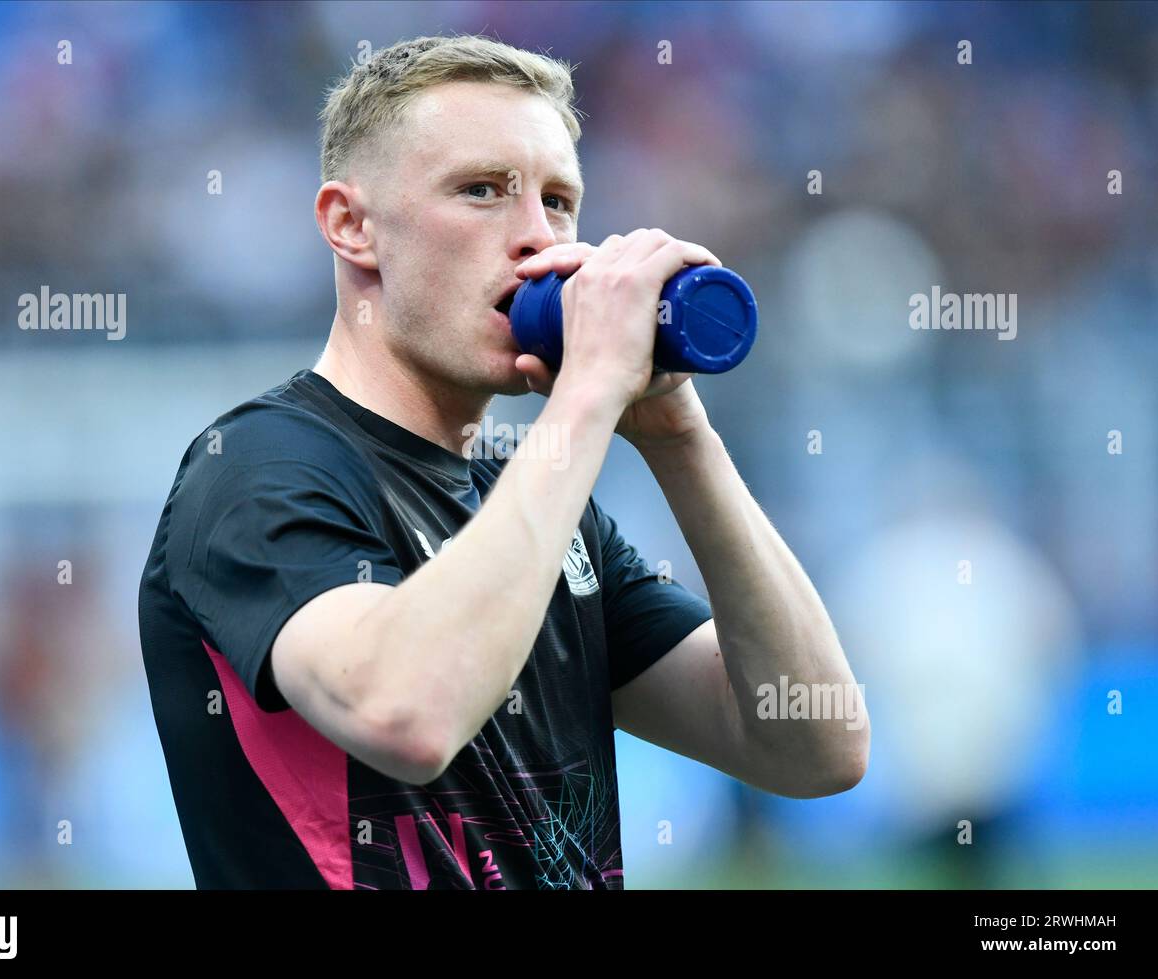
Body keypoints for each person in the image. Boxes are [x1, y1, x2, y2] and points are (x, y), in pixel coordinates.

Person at [138, 34, 868, 890]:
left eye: (559, 202)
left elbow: (814, 744)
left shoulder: (539, 507)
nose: (537, 238)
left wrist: (680, 440)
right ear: (351, 225)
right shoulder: (258, 467)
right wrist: (589, 392)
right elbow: (406, 711)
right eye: (482, 191)